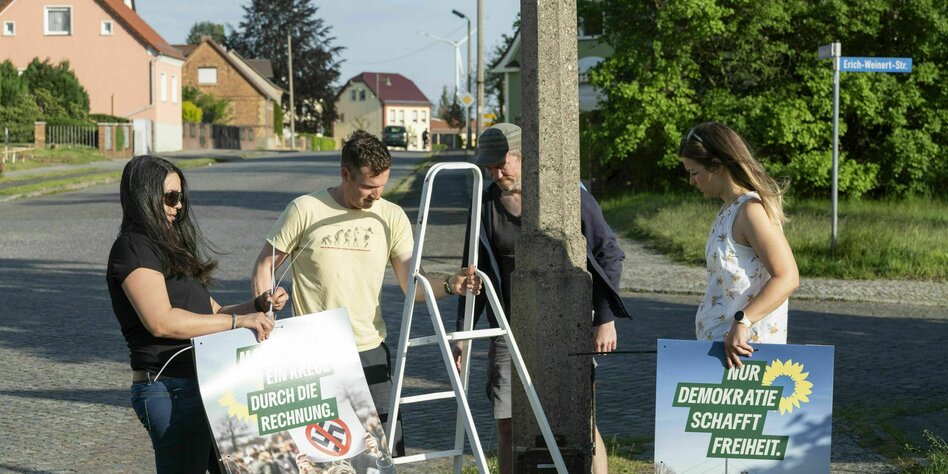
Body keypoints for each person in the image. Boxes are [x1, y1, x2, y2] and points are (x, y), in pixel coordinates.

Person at [252, 129, 480, 457]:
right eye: (369, 186)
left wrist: (448, 284)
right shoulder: (305, 209)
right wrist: (264, 307)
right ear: (345, 174)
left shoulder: (391, 217)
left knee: (387, 450)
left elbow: (412, 285)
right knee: (323, 455)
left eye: (383, 185)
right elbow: (264, 266)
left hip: (370, 349)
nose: (377, 194)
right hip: (314, 352)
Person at [454, 123, 631, 474]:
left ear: (525, 157)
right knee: (508, 423)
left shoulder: (568, 195)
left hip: (566, 324)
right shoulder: (485, 204)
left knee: (581, 420)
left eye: (502, 163)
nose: (496, 172)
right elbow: (470, 273)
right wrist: (462, 333)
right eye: (488, 166)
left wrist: (605, 318)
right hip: (508, 328)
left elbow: (609, 253)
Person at [106, 155, 288, 474]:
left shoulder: (170, 247)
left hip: (200, 382)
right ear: (144, 196)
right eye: (171, 197)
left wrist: (258, 305)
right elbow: (161, 321)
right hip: (169, 385)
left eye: (182, 198)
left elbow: (214, 311)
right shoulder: (133, 248)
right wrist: (238, 322)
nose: (179, 206)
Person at [677, 122, 799, 369]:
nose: (691, 181)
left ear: (717, 166)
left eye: (694, 172)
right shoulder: (728, 210)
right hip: (723, 351)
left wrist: (743, 322)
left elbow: (787, 277)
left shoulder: (751, 211)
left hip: (747, 355)